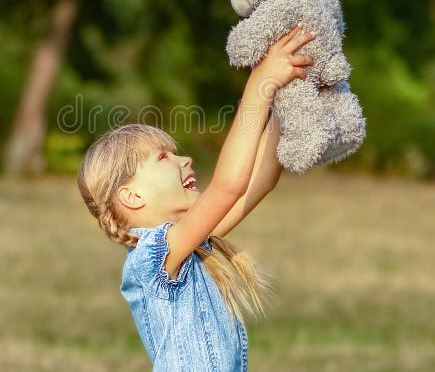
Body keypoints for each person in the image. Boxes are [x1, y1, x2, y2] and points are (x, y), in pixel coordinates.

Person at [77, 24, 315, 371]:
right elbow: (229, 186)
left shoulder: (190, 245)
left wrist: (287, 96)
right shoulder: (151, 258)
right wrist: (260, 86)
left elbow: (258, 181)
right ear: (131, 196)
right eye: (163, 158)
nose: (184, 159)